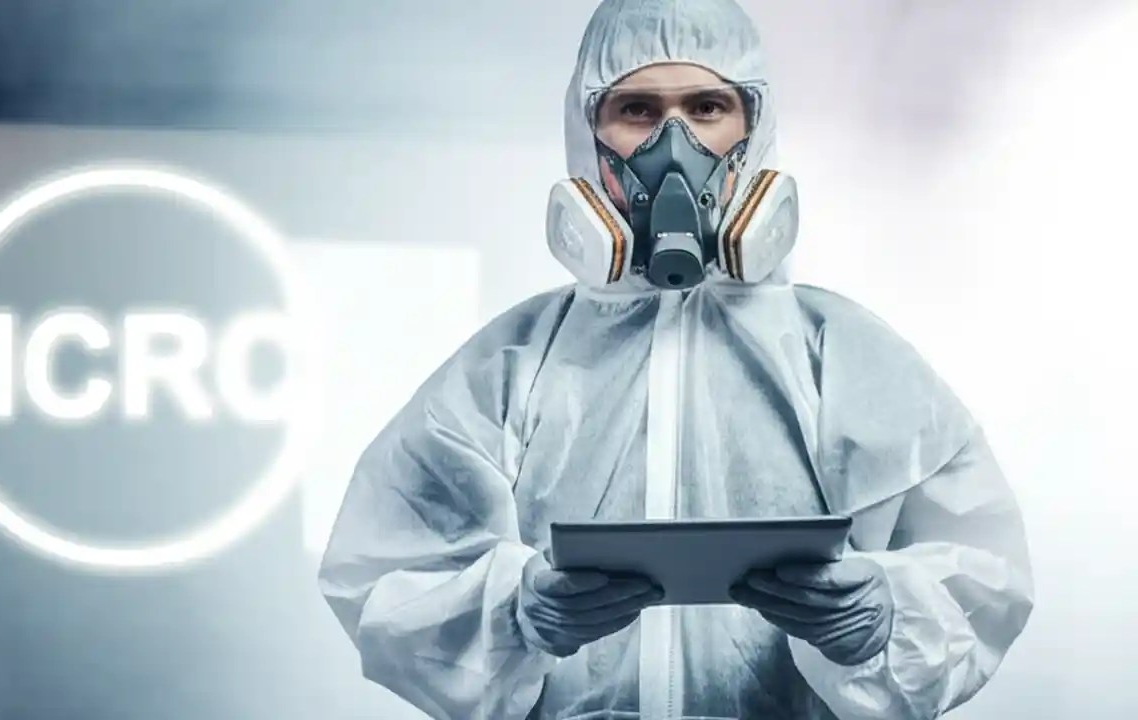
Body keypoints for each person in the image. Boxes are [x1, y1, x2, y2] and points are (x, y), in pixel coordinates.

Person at [318, 0, 1034, 718]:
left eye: (706, 108)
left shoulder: (840, 353)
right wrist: (515, 613)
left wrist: (883, 618)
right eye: (636, 110)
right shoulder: (511, 366)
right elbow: (388, 574)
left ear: (753, 128)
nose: (674, 143)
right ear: (587, 132)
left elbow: (981, 569)